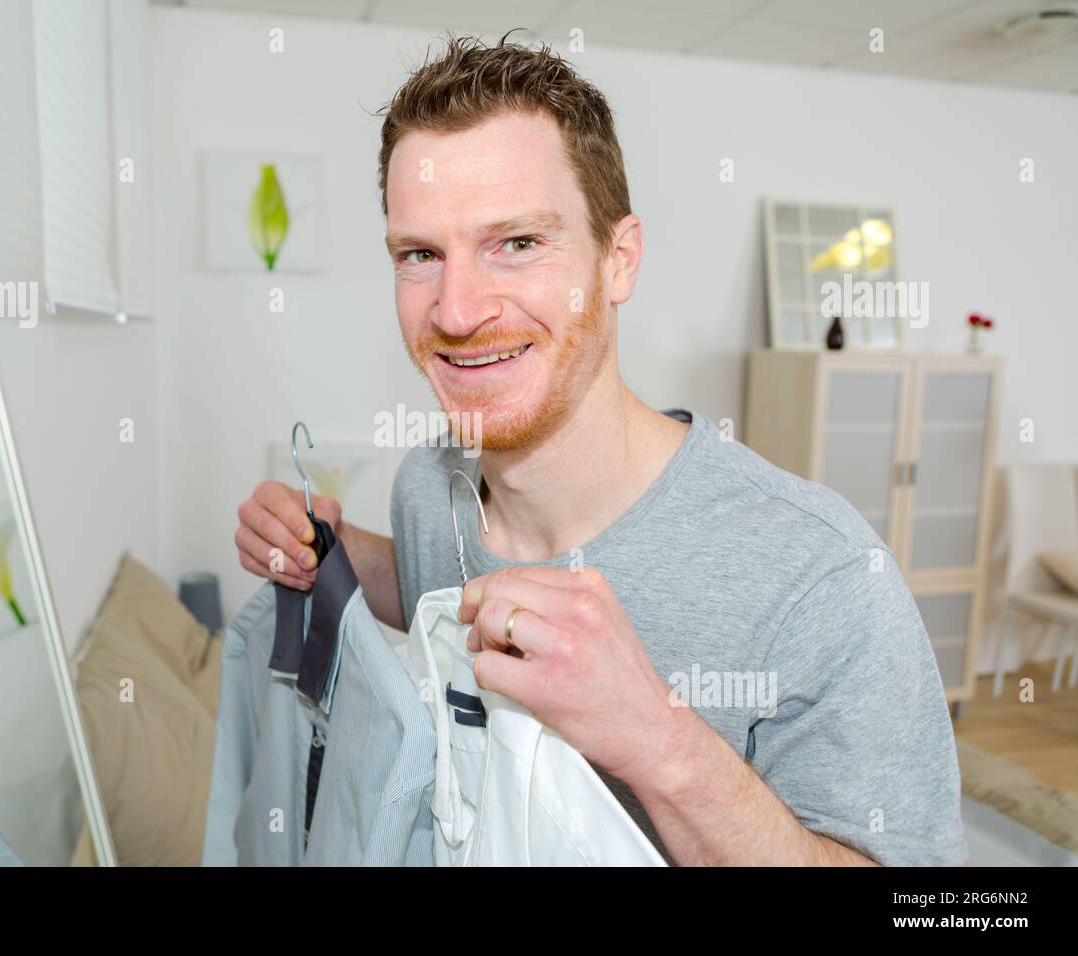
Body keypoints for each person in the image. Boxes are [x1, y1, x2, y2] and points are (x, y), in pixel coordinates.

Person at [234, 33, 966, 866]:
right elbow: (435, 582)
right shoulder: (429, 487)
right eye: (421, 255)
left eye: (517, 243)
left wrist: (657, 737)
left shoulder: (820, 577)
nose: (458, 311)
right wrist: (328, 549)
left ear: (619, 261)